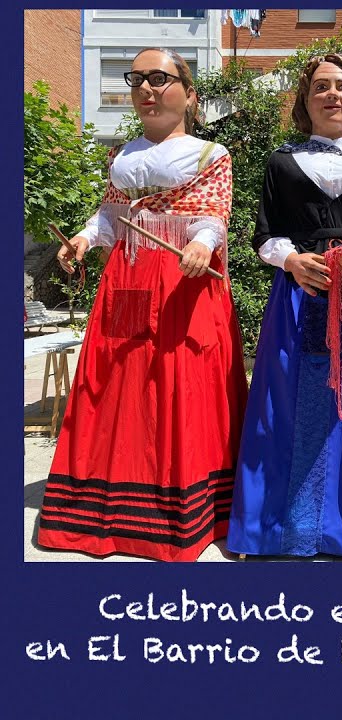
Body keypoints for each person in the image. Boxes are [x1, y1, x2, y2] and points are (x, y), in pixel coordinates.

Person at [40, 48, 246, 561]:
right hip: (128, 280)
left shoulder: (210, 153)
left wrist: (203, 243)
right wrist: (83, 239)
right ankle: (107, 506)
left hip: (183, 284)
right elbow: (110, 219)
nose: (147, 89)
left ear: (189, 95)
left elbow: (213, 216)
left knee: (180, 383)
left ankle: (185, 508)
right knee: (120, 382)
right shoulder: (122, 157)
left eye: (159, 78)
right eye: (138, 80)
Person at [227, 53, 342, 559]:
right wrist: (291, 261)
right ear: (305, 102)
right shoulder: (281, 162)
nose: (333, 95)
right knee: (285, 405)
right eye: (321, 87)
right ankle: (277, 529)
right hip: (296, 299)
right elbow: (265, 233)